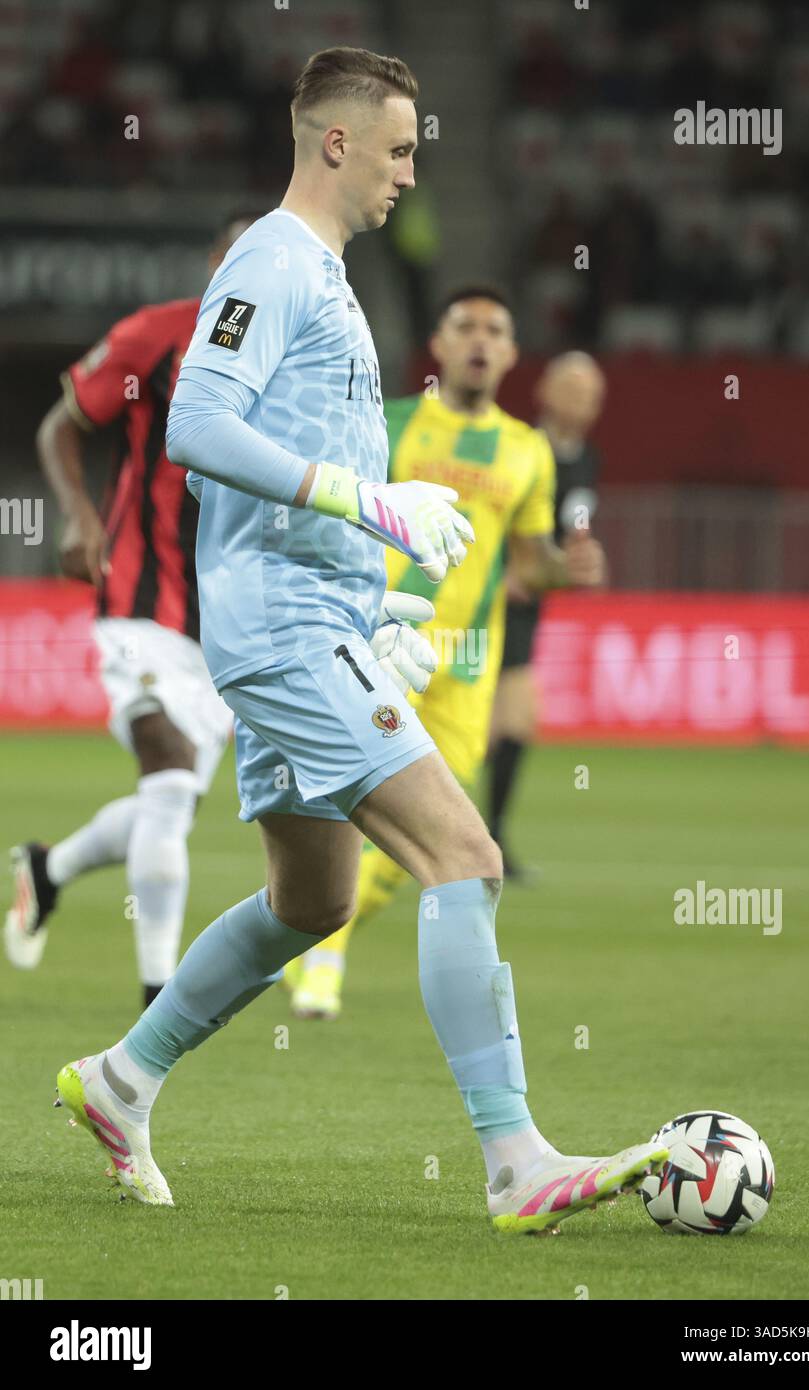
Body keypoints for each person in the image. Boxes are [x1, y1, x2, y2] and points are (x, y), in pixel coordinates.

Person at [54, 46, 666, 1233]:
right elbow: (196, 425)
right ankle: (512, 1161)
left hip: (312, 615)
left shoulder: (325, 276)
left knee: (310, 899)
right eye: (398, 149)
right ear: (334, 142)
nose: (409, 173)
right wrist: (360, 503)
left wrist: (369, 596)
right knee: (465, 857)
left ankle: (122, 1078)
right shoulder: (274, 262)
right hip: (279, 628)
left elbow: (267, 465)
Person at [287, 290, 606, 1021]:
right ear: (438, 344)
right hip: (378, 642)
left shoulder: (527, 451)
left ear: (513, 353)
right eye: (465, 326)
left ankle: (311, 941)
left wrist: (570, 567)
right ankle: (323, 958)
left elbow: (530, 563)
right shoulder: (391, 423)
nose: (480, 340)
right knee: (355, 807)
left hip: (466, 667)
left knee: (435, 829)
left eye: (496, 329)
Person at [5, 212, 263, 1005]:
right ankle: (160, 995)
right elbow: (62, 425)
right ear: (216, 259)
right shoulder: (158, 334)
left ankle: (47, 869)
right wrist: (81, 518)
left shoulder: (291, 355)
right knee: (170, 774)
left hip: (226, 624)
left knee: (167, 803)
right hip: (138, 598)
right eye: (237, 255)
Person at [488, 352, 607, 879]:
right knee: (496, 723)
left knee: (512, 723)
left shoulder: (587, 461)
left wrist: (578, 566)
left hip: (528, 606)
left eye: (592, 393)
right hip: (483, 601)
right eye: (572, 388)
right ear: (544, 391)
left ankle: (486, 840)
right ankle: (472, 839)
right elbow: (485, 516)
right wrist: (503, 573)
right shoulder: (518, 449)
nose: (582, 401)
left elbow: (568, 535)